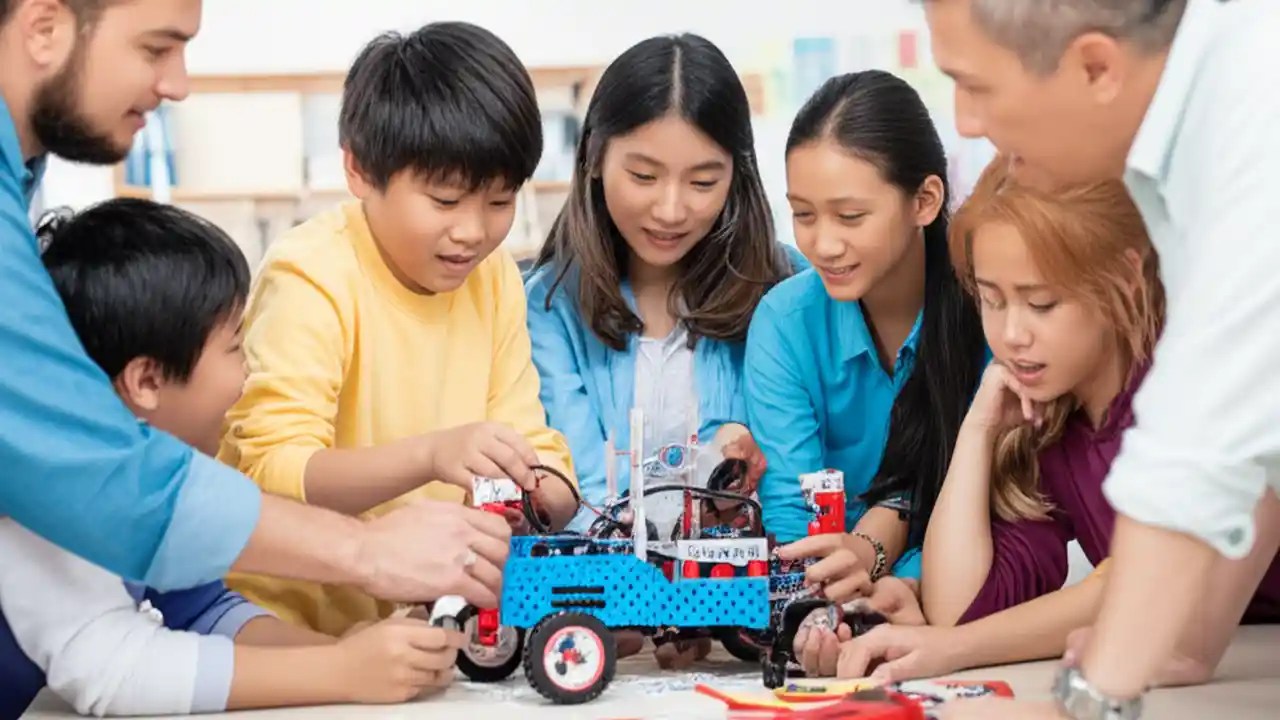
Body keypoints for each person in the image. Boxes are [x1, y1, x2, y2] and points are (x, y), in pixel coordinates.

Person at [0, 0, 508, 647]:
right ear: (44, 27)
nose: (177, 83)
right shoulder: (312, 270)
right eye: (157, 48)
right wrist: (364, 551)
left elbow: (197, 602)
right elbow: (96, 466)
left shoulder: (20, 177)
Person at [912, 2, 1280, 717]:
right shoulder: (1189, 147)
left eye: (977, 85)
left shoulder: (1253, 128)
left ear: (1094, 67)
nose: (963, 121)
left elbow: (1203, 450)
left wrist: (1092, 696)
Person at [0, 200, 464, 717]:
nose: (250, 374)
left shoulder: (168, 476)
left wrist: (350, 656)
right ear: (147, 381)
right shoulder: (44, 490)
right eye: (236, 347)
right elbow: (115, 671)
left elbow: (201, 609)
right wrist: (339, 670)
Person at [832, 158, 1280, 684]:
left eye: (1041, 303)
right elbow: (963, 605)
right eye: (991, 301)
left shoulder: (1192, 379)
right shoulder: (1048, 418)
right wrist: (978, 429)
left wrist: (952, 650)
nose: (1011, 334)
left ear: (1127, 279)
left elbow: (1139, 578)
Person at [218, 21, 578, 637]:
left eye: (499, 202)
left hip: (427, 618)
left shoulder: (491, 278)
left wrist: (536, 493)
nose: (473, 231)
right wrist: (432, 456)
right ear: (359, 171)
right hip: (283, 622)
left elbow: (534, 446)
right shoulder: (311, 273)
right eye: (444, 200)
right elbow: (274, 475)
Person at [525, 32, 802, 667]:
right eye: (643, 176)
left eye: (703, 181)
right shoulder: (545, 306)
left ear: (737, 176)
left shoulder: (786, 291)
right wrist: (642, 606)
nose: (671, 209)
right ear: (594, 156)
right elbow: (578, 485)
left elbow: (790, 469)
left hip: (740, 623)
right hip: (602, 627)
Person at [743, 69, 988, 673]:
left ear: (925, 201)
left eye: (850, 217)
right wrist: (842, 594)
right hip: (836, 609)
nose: (822, 244)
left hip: (964, 618)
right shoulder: (784, 323)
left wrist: (900, 577)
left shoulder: (991, 314)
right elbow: (791, 516)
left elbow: (1004, 508)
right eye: (803, 215)